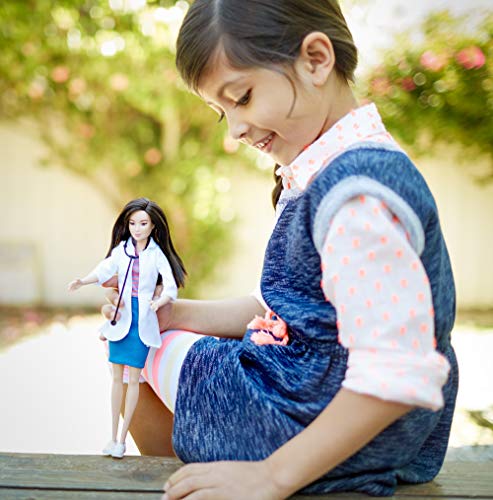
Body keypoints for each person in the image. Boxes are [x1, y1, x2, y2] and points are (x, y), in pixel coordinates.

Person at [102, 1, 458, 497]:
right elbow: (278, 308)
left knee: (139, 353)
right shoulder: (335, 171)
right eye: (221, 111)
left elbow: (400, 370)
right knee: (148, 331)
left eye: (242, 98)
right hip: (343, 418)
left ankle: (192, 483)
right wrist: (171, 313)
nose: (235, 131)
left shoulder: (357, 195)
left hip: (306, 424)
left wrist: (271, 476)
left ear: (315, 59)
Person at [68, 198, 186, 459]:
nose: (137, 228)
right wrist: (83, 281)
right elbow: (104, 269)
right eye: (132, 223)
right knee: (117, 378)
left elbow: (170, 286)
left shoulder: (156, 255)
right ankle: (112, 437)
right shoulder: (122, 250)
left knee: (134, 380)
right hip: (121, 318)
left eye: (143, 223)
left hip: (142, 319)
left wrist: (159, 301)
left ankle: (122, 439)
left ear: (154, 226)